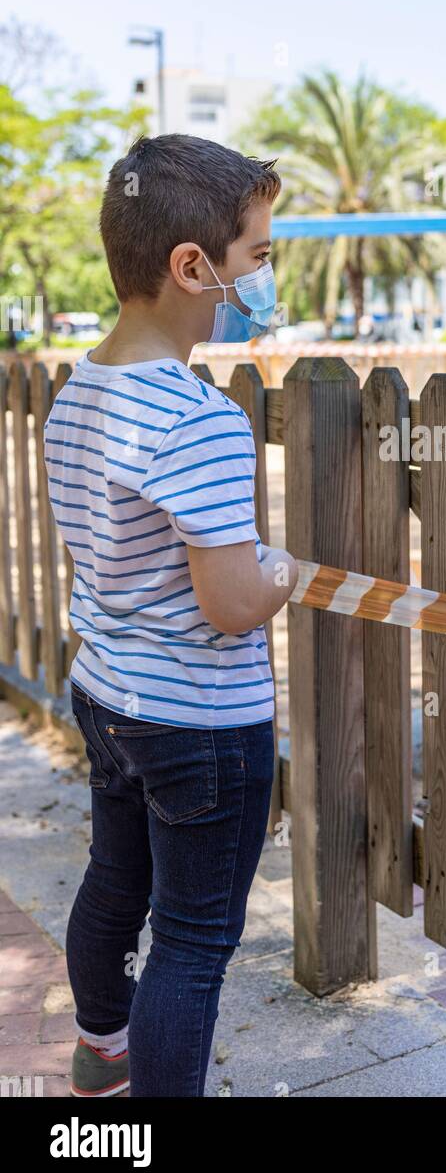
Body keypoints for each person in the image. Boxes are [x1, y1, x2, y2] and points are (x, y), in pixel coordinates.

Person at [44, 134, 299, 1097]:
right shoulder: (197, 418)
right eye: (258, 258)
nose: (264, 280)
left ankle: (98, 1049)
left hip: (108, 698)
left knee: (116, 880)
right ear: (194, 266)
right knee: (192, 945)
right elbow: (231, 603)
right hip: (199, 720)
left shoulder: (78, 393)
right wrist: (285, 570)